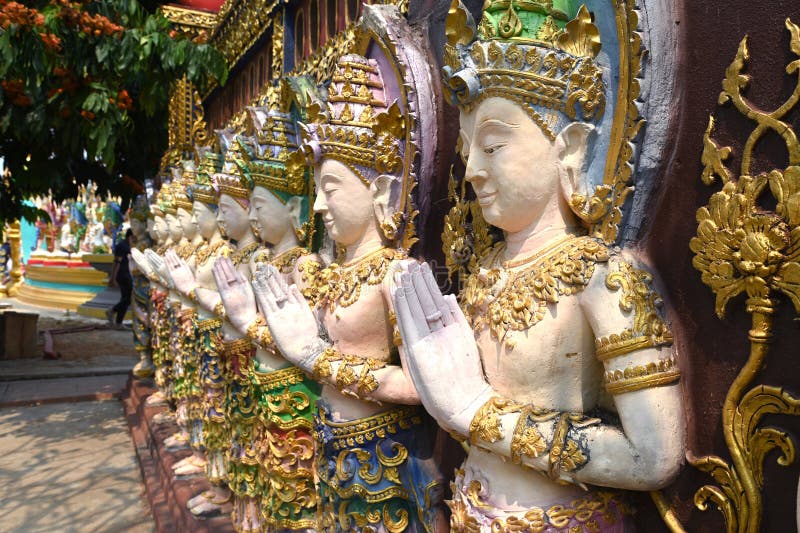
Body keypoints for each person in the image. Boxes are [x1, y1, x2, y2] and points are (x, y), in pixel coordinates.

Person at [107, 228, 134, 326]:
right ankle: (112, 310)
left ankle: (118, 322)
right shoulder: (123, 246)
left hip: (126, 274)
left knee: (125, 298)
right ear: (130, 236)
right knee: (129, 297)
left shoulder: (127, 245)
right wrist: (113, 278)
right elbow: (117, 262)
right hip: (123, 274)